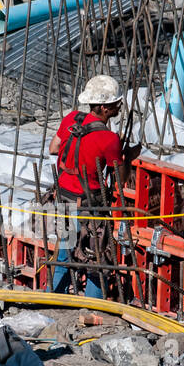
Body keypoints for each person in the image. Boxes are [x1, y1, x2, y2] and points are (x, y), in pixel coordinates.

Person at [48, 74, 138, 298]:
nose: (119, 106)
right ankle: (93, 309)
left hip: (63, 198)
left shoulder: (71, 119)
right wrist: (127, 158)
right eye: (116, 104)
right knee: (98, 260)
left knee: (64, 255)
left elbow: (53, 148)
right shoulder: (109, 139)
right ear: (105, 108)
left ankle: (52, 300)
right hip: (89, 206)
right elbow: (119, 179)